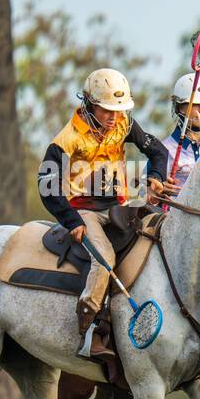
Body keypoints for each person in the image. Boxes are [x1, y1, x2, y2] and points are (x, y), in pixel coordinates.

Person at [37, 68, 171, 357]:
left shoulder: (124, 124)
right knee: (104, 257)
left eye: (119, 110)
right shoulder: (67, 139)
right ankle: (88, 332)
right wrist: (71, 220)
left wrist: (155, 177)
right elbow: (46, 186)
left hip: (118, 205)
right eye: (107, 110)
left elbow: (158, 151)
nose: (114, 116)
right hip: (83, 210)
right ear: (89, 104)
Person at [161, 72, 200, 193]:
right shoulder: (162, 149)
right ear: (180, 108)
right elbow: (136, 196)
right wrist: (154, 190)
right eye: (196, 104)